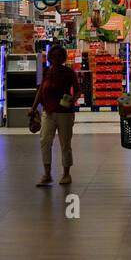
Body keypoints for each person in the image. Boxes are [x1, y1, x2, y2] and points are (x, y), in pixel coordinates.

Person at [30, 44, 81, 186]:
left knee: (65, 144)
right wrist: (33, 108)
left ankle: (66, 174)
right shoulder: (47, 72)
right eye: (54, 56)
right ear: (50, 58)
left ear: (64, 58)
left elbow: (77, 90)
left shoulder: (69, 72)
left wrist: (73, 99)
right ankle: (47, 174)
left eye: (60, 56)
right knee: (45, 141)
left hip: (65, 113)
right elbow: (40, 91)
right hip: (48, 112)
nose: (57, 59)